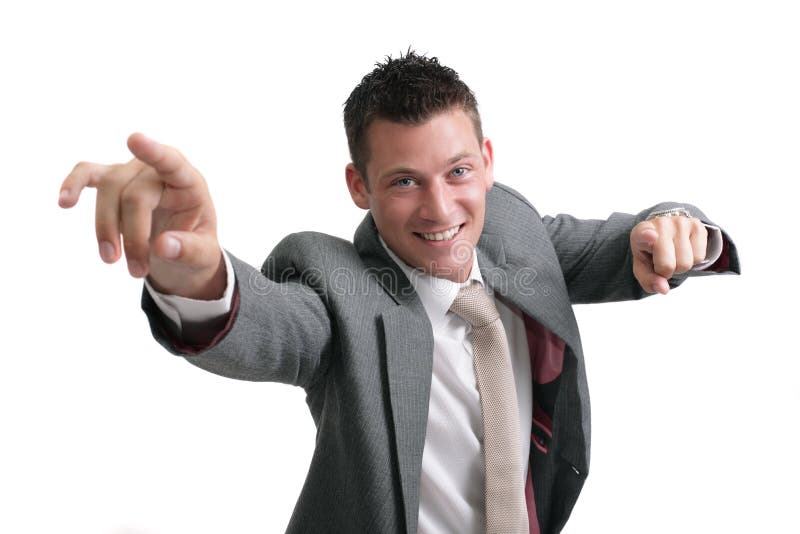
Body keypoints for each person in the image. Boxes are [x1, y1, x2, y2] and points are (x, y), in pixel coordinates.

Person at [58, 51, 739, 534]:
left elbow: (635, 240)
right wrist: (195, 271)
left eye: (459, 171)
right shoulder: (331, 282)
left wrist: (686, 232)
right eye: (405, 181)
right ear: (359, 185)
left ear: (489, 162)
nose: (442, 209)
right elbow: (269, 324)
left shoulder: (514, 229)